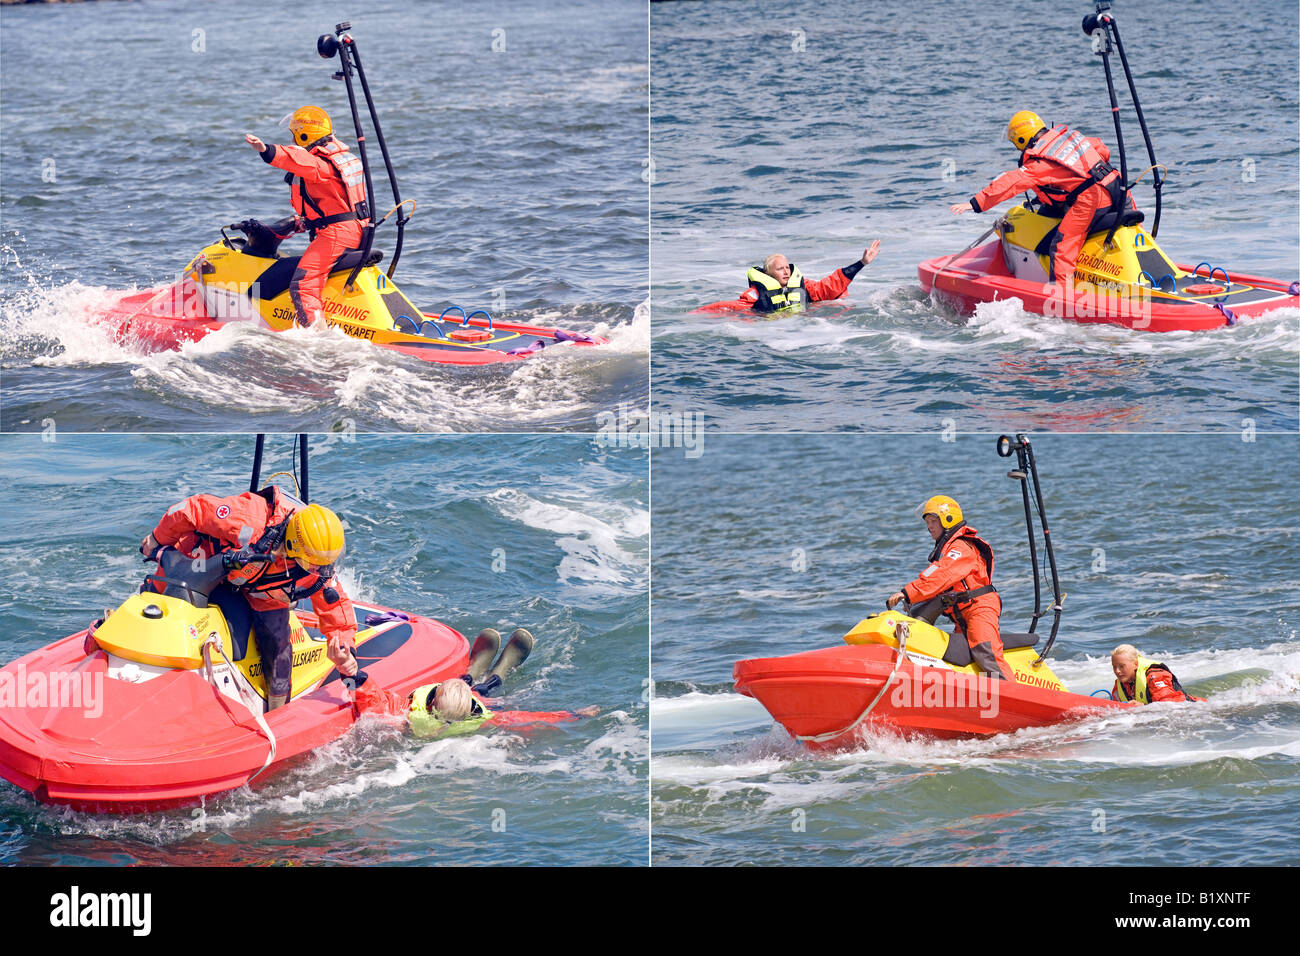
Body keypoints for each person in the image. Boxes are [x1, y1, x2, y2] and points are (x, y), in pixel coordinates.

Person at [141, 489, 358, 710]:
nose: (321, 569)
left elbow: (335, 605)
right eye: (316, 563)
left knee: (278, 646)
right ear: (292, 546)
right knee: (162, 603)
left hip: (263, 590)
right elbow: (191, 509)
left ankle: (278, 711)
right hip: (207, 565)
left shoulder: (314, 568)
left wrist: (344, 648)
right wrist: (157, 539)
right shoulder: (247, 517)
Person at [950, 110, 1133, 285]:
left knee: (1061, 247)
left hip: (1093, 199)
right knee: (1131, 230)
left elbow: (1010, 183)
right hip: (1118, 186)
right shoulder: (1069, 137)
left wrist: (974, 203)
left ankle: (1061, 299)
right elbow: (1102, 149)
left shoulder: (1040, 162)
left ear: (1021, 140)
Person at [244, 105, 370, 327]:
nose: (293, 139)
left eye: (294, 134)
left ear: (304, 135)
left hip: (336, 235)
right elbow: (333, 204)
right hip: (352, 230)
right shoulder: (338, 159)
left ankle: (314, 336)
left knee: (303, 283)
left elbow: (294, 159)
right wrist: (299, 223)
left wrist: (266, 150)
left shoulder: (317, 164)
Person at [886, 495, 1014, 681]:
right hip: (961, 617)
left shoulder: (961, 548)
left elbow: (940, 576)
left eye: (933, 521)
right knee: (955, 657)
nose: (929, 526)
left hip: (980, 610)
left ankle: (1011, 695)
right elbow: (935, 578)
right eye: (927, 522)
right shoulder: (947, 552)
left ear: (948, 520)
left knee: (984, 650)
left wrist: (907, 593)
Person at [739, 241, 882, 314]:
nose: (786, 272)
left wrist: (861, 263)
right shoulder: (754, 294)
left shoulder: (805, 287)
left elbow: (831, 285)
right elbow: (738, 310)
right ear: (769, 273)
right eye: (780, 269)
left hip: (803, 329)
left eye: (787, 268)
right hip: (773, 332)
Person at [1110, 644, 1205, 704]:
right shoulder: (1119, 686)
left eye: (1122, 666)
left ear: (1135, 664)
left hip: (1196, 710)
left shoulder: (1155, 676)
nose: (1117, 671)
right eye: (1114, 666)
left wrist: (1143, 707)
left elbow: (1172, 706)